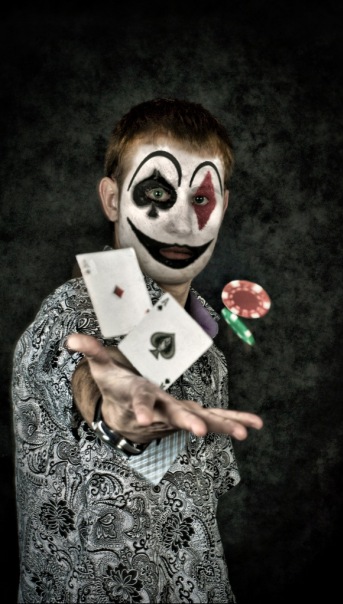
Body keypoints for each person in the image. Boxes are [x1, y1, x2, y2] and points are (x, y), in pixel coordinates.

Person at [11, 98, 263, 603]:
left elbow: (196, 503)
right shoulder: (71, 312)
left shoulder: (206, 350)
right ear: (111, 199)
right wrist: (111, 414)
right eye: (157, 192)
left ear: (223, 206)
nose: (182, 223)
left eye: (201, 197)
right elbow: (87, 376)